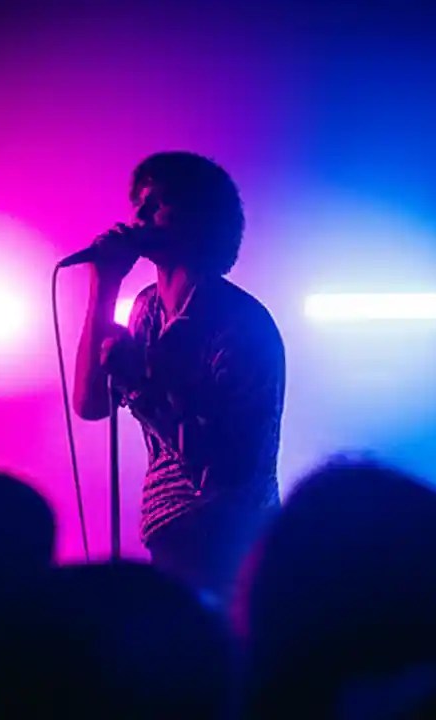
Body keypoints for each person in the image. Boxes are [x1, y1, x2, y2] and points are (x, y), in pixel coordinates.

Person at [73, 151, 285, 603]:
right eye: (139, 205)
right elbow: (91, 404)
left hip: (231, 535)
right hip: (170, 530)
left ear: (200, 216)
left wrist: (137, 386)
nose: (140, 215)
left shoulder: (238, 323)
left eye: (158, 202)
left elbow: (227, 471)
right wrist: (104, 286)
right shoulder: (147, 309)